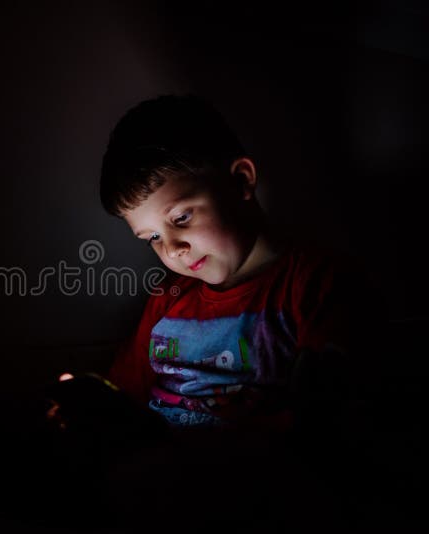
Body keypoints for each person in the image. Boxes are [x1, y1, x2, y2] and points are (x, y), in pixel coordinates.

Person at [99, 93, 367, 437]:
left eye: (181, 217)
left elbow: (327, 416)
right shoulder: (168, 298)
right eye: (151, 238)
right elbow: (124, 393)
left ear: (240, 180)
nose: (172, 249)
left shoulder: (315, 284)